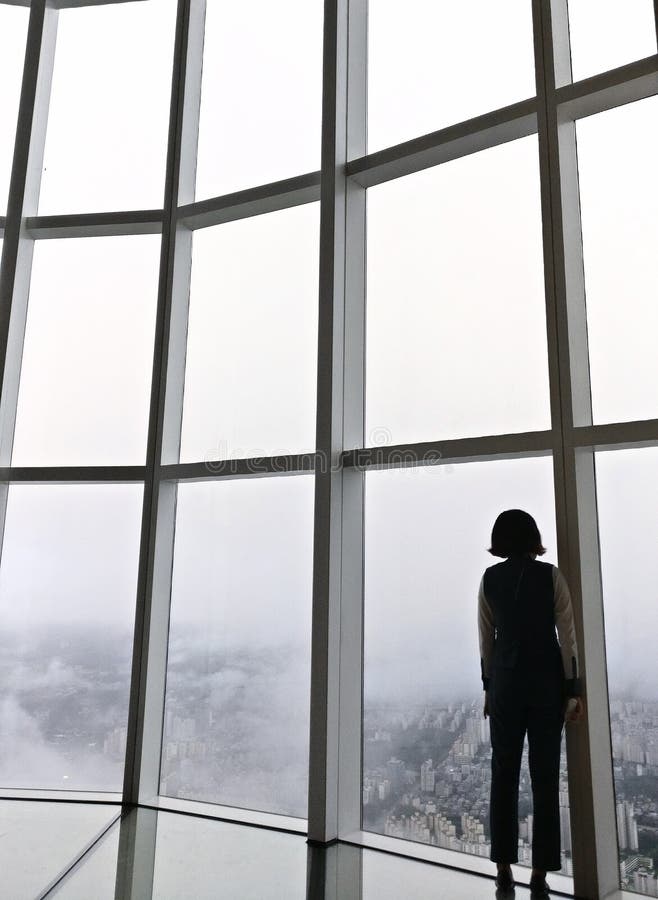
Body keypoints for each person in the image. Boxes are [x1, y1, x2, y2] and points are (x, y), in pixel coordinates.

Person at [478, 509, 584, 898]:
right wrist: (573, 690)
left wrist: (489, 687)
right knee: (544, 777)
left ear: (499, 540)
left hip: (505, 684)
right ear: (534, 537)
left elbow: (486, 639)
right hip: (545, 684)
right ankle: (540, 874)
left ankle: (503, 868)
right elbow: (567, 637)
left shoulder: (489, 579)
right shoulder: (551, 576)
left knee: (503, 773)